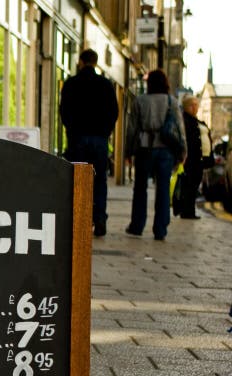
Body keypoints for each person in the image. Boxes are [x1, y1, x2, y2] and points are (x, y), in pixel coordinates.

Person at [60, 49, 119, 237]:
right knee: (100, 179)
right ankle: (99, 218)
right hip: (100, 139)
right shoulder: (106, 85)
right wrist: (105, 132)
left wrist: (72, 130)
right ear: (96, 62)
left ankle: (78, 219)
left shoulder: (71, 83)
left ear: (81, 62)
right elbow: (113, 112)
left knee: (77, 178)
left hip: (78, 138)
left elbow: (64, 111)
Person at [124, 69, 187, 241]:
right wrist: (182, 152)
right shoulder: (171, 101)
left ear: (149, 83)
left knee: (140, 188)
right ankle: (160, 229)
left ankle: (137, 225)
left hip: (144, 148)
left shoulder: (140, 101)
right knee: (163, 189)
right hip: (165, 150)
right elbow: (180, 129)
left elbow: (132, 129)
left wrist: (128, 151)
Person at [177, 95, 212, 219]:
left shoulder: (196, 120)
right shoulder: (185, 120)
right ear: (187, 106)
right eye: (193, 105)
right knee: (189, 185)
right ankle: (187, 211)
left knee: (194, 185)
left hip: (200, 159)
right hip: (191, 159)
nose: (195, 107)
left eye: (196, 105)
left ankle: (189, 210)